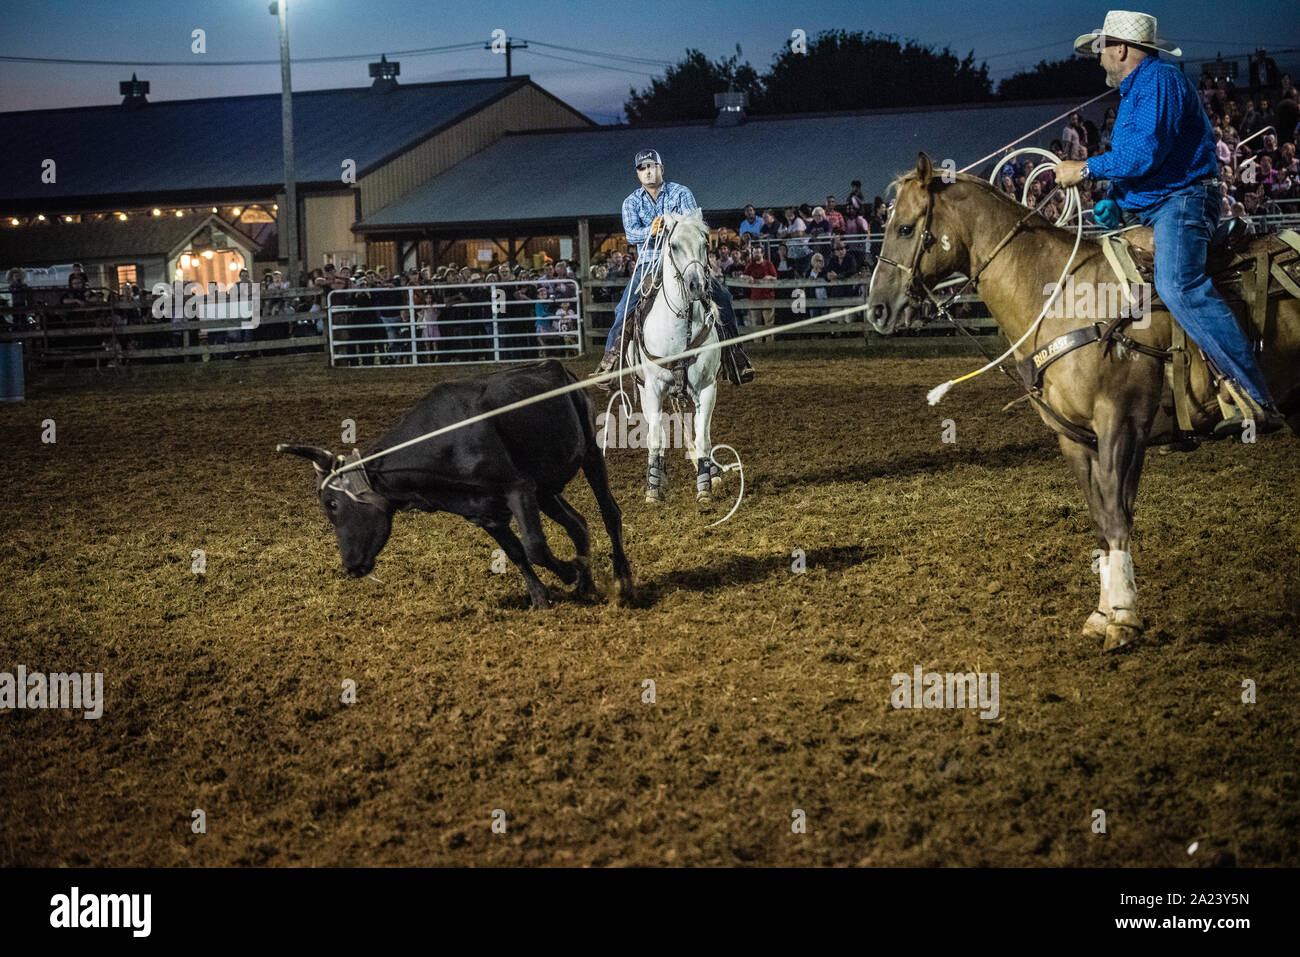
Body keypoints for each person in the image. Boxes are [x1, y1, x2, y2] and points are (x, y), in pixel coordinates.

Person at [1058, 9, 1285, 435]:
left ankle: (1255, 396)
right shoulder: (1137, 92)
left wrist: (1086, 170)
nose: (1100, 57)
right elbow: (1143, 164)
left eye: (1103, 49)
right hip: (1158, 203)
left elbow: (1146, 154)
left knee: (1178, 284)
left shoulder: (1159, 81)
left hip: (1183, 201)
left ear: (1121, 48)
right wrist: (1115, 199)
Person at [590, 148, 754, 387]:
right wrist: (652, 230)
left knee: (723, 297)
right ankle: (612, 362)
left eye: (651, 166)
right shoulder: (631, 202)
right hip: (649, 264)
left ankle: (735, 355)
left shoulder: (681, 192)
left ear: (661, 169)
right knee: (623, 309)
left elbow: (694, 224)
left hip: (683, 260)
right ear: (638, 173)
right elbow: (632, 234)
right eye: (642, 168)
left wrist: (670, 228)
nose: (647, 172)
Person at [743, 245, 778, 340]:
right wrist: (748, 278)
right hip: (754, 298)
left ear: (762, 253)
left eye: (758, 252)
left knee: (769, 323)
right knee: (755, 323)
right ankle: (757, 345)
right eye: (754, 252)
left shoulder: (768, 264)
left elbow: (775, 278)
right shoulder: (751, 265)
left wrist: (769, 278)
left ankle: (769, 345)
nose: (756, 254)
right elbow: (743, 276)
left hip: (767, 297)